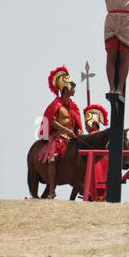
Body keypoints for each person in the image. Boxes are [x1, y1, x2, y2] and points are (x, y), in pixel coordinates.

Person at [37, 67, 82, 199]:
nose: (75, 90)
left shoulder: (73, 105)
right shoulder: (56, 104)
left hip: (72, 139)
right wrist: (66, 130)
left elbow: (76, 123)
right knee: (52, 159)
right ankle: (51, 189)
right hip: (59, 137)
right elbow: (51, 121)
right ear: (67, 88)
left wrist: (77, 130)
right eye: (73, 87)